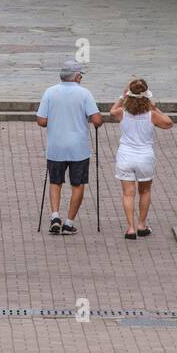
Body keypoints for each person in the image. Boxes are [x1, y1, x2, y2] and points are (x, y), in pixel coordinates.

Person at [36, 60, 103, 235]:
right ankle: (68, 222)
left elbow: (41, 121)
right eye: (80, 75)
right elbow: (97, 120)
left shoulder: (50, 92)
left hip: (56, 147)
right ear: (77, 76)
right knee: (78, 184)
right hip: (78, 149)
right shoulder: (84, 94)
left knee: (55, 182)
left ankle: (55, 216)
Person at [109, 79, 174, 239]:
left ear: (129, 96)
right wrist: (154, 107)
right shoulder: (151, 115)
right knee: (144, 191)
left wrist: (122, 97)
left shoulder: (122, 113)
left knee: (128, 194)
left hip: (125, 156)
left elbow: (112, 111)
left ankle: (130, 228)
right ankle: (141, 225)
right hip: (144, 157)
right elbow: (169, 122)